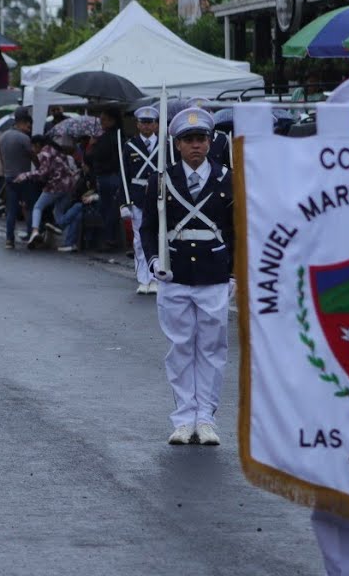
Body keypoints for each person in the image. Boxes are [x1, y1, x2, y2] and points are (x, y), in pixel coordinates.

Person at [139, 106, 233, 447]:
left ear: (210, 142)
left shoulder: (227, 178)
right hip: (175, 272)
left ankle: (206, 418)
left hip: (213, 272)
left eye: (201, 139)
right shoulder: (161, 180)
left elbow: (235, 229)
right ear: (177, 145)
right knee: (180, 349)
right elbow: (148, 228)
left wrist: (234, 272)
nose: (196, 146)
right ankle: (183, 419)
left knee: (211, 349)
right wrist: (152, 262)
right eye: (189, 140)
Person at [123, 106, 161, 294]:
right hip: (137, 197)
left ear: (156, 125)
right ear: (138, 125)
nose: (147, 126)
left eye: (150, 122)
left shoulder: (165, 144)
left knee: (157, 237)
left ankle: (155, 277)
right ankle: (143, 278)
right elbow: (124, 175)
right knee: (139, 240)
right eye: (143, 123)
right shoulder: (130, 146)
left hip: (159, 195)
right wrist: (124, 203)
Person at [15, 135, 78, 248]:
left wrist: (25, 175)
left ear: (38, 145)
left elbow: (43, 172)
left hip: (55, 186)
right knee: (59, 212)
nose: (33, 150)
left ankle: (35, 231)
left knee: (38, 206)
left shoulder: (44, 153)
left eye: (33, 147)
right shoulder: (57, 150)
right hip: (69, 186)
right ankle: (69, 242)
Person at [87, 107, 124, 251]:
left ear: (111, 120)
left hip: (108, 177)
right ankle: (111, 238)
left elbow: (93, 157)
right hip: (114, 176)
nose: (101, 122)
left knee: (108, 209)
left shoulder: (106, 139)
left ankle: (109, 239)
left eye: (104, 119)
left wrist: (92, 146)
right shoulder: (119, 136)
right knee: (111, 208)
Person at [0, 108, 37, 248]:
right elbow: (32, 155)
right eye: (28, 125)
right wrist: (40, 167)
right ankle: (30, 235)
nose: (29, 128)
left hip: (8, 176)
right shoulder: (24, 138)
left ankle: (9, 239)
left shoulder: (3, 136)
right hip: (23, 177)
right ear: (22, 122)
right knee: (28, 207)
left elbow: (2, 157)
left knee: (11, 210)